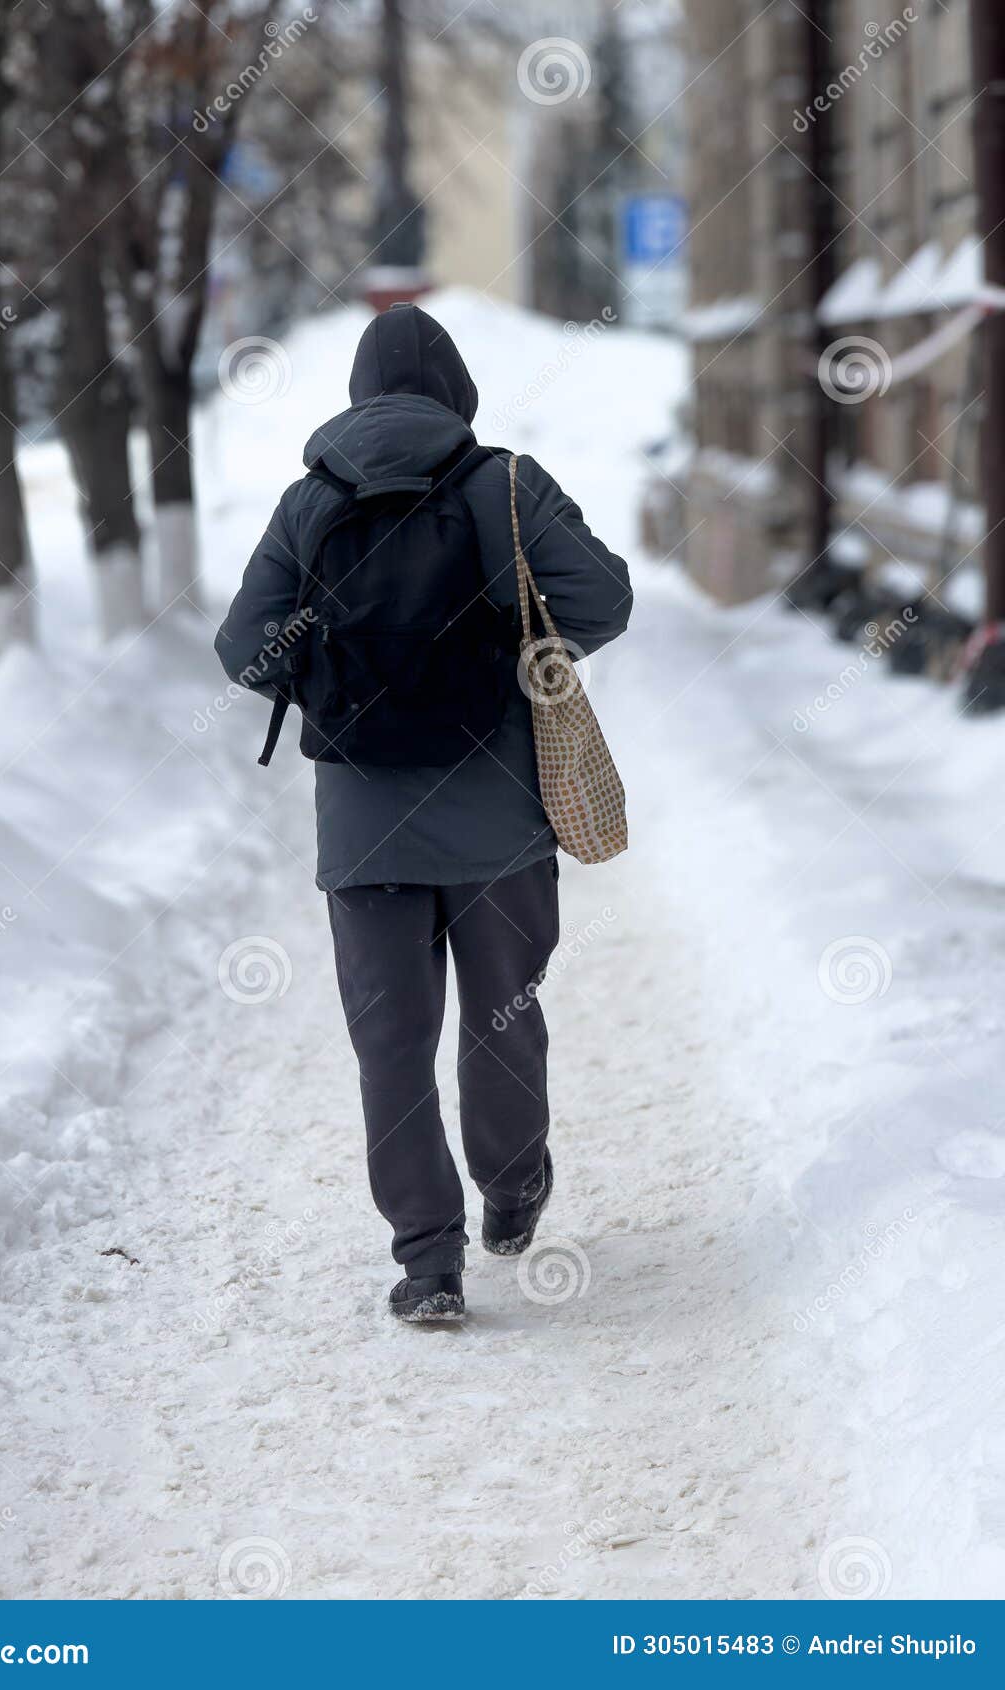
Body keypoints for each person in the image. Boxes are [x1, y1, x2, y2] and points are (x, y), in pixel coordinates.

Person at [215, 302, 631, 1323]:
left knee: (391, 1042)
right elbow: (605, 599)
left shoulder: (308, 504)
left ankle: (427, 1263)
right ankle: (513, 1187)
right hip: (497, 812)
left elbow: (244, 647)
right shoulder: (507, 484)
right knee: (503, 1014)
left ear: (358, 394)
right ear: (457, 394)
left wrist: (338, 679)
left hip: (365, 827)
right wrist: (520, 651)